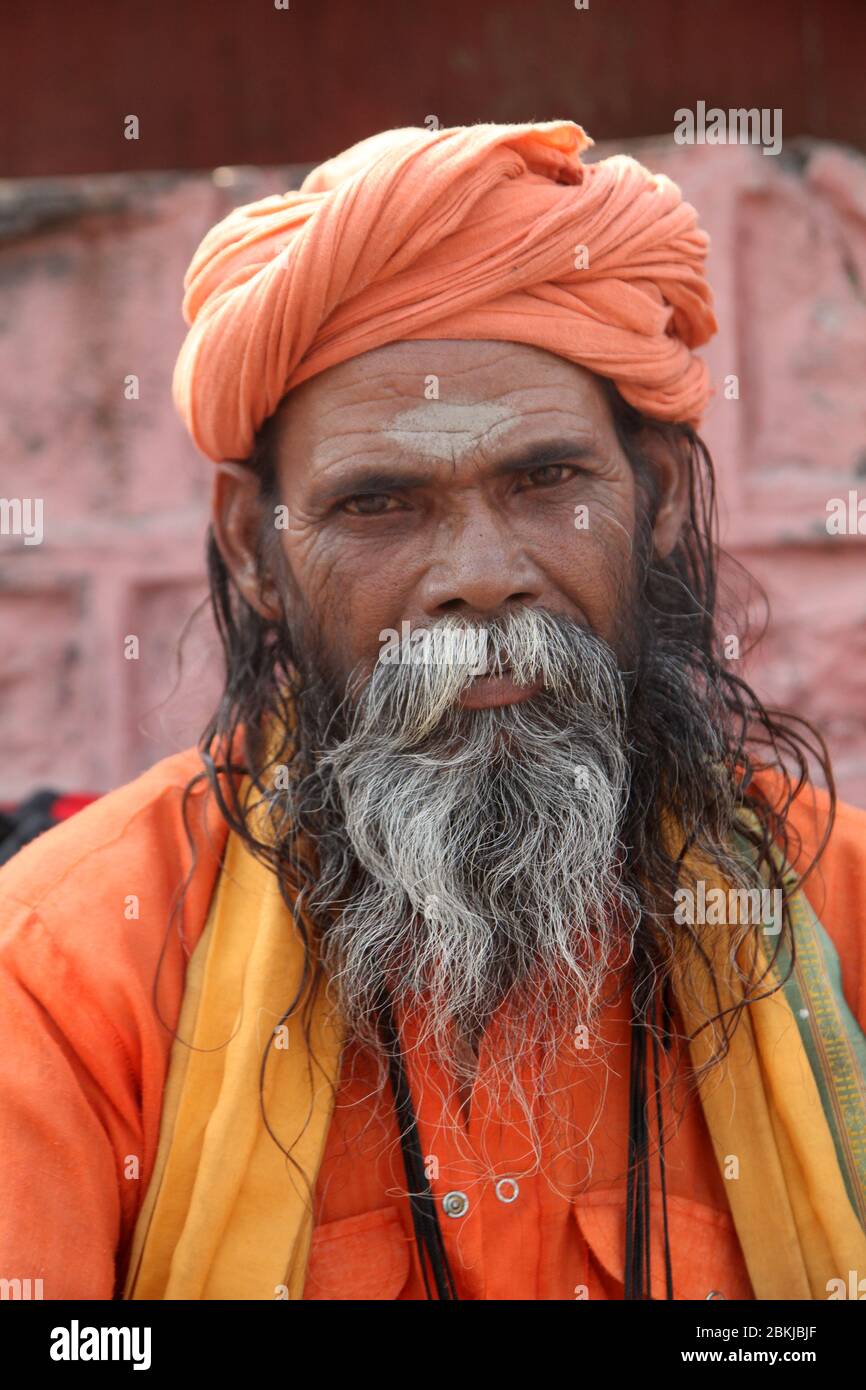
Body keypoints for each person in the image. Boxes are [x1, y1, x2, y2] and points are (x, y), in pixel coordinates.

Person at [1, 120, 864, 1302]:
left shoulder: (841, 909)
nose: (479, 571)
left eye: (544, 480)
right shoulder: (62, 969)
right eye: (380, 504)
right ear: (256, 549)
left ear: (654, 496)